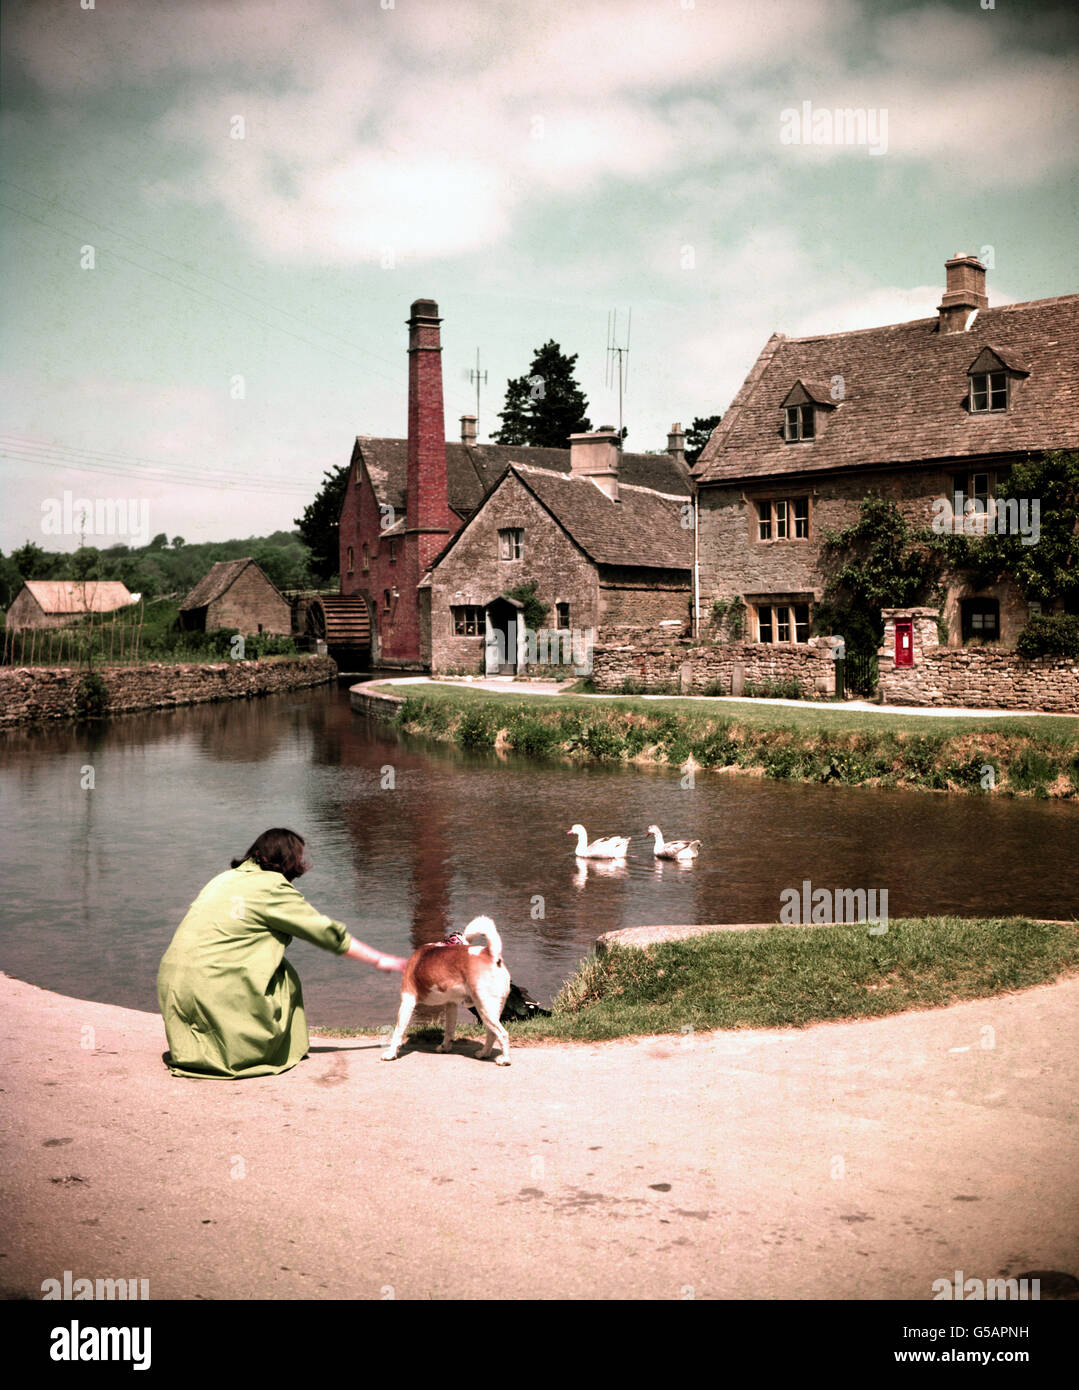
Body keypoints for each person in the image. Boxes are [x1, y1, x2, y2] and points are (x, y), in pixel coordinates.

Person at [157, 828, 403, 1079]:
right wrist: (378, 959)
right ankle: (249, 1051)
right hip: (215, 987)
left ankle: (197, 1049)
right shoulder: (273, 888)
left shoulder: (222, 879)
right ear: (289, 862)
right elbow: (325, 933)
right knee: (283, 976)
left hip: (174, 984)